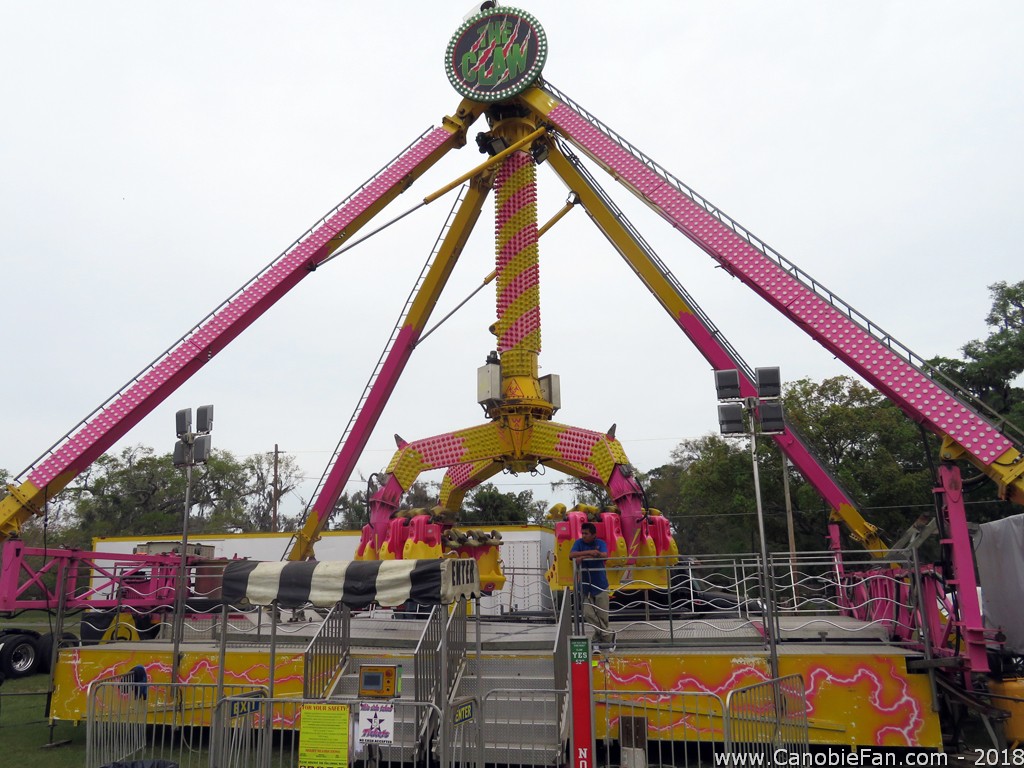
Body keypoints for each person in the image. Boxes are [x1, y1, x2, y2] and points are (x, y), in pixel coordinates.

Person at [569, 522, 613, 647]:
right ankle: (608, 635)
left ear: (594, 535)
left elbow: (604, 555)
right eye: (582, 533)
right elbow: (571, 555)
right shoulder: (579, 543)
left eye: (586, 534)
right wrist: (588, 554)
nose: (583, 536)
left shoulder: (600, 543)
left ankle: (600, 637)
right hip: (585, 586)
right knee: (588, 613)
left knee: (603, 615)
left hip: (600, 584)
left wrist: (591, 554)